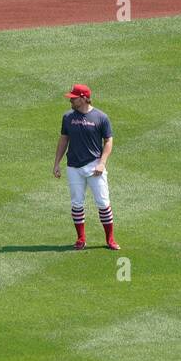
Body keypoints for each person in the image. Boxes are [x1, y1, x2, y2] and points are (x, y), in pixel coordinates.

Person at [52, 84, 118, 250]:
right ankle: (81, 239)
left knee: (103, 203)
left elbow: (108, 141)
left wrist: (102, 163)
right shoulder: (67, 117)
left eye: (74, 98)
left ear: (83, 98)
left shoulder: (101, 117)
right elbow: (63, 139)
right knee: (77, 204)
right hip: (73, 167)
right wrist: (56, 163)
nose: (71, 100)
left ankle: (110, 239)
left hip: (95, 167)